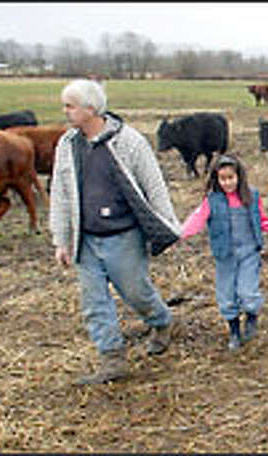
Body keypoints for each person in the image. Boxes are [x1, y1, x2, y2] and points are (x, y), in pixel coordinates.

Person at [49, 79, 181, 386]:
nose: (65, 112)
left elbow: (153, 185)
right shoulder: (67, 146)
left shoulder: (129, 141)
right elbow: (60, 193)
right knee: (94, 301)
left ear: (90, 108)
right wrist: (62, 240)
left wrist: (166, 225)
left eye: (70, 106)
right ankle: (112, 358)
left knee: (136, 291)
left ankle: (161, 321)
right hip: (86, 239)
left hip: (124, 235)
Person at [179, 154, 268, 351]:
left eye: (231, 178)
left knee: (248, 291)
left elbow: (261, 220)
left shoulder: (251, 197)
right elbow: (197, 219)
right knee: (227, 294)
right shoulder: (212, 201)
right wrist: (181, 233)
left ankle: (252, 316)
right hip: (225, 255)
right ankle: (234, 330)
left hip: (249, 252)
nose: (228, 182)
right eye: (223, 178)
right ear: (216, 179)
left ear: (239, 177)